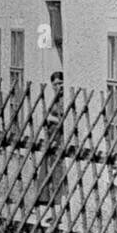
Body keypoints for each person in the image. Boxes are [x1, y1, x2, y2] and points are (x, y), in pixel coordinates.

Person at [35, 71, 68, 216]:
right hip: (51, 138)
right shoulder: (55, 98)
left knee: (57, 171)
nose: (58, 87)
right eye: (55, 84)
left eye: (61, 83)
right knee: (47, 169)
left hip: (59, 138)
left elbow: (64, 120)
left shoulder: (64, 99)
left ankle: (58, 206)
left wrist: (51, 119)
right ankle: (48, 203)